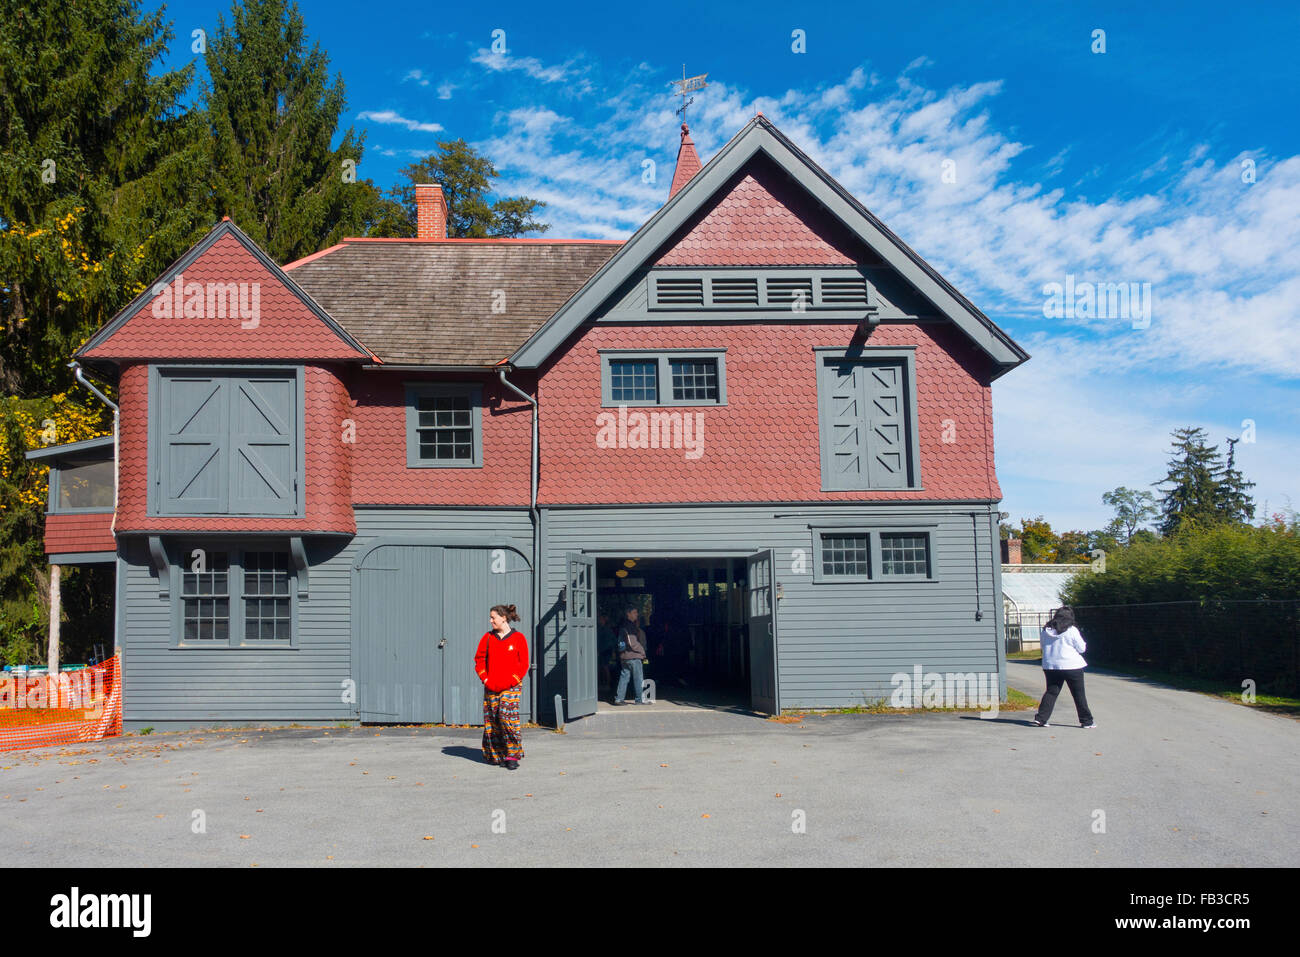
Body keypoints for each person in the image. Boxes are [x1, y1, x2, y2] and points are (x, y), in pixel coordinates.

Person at [474, 604, 529, 769]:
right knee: (493, 720)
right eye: (490, 618)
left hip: (511, 686)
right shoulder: (488, 638)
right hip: (491, 686)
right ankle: (496, 754)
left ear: (503, 618)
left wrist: (512, 680)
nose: (490, 621)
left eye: (493, 617)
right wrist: (485, 679)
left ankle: (512, 755)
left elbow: (523, 664)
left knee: (507, 717)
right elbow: (479, 660)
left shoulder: (518, 638)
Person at [1034, 606, 1095, 728]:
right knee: (1078, 694)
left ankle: (1041, 718)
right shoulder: (1072, 630)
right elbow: (1082, 648)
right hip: (1072, 666)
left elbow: (1042, 645)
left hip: (1051, 666)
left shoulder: (1046, 630)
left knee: (1051, 692)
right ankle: (1086, 721)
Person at [613, 607, 649, 705]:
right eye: (634, 612)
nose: (636, 614)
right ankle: (639, 700)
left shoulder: (623, 625)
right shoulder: (629, 626)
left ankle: (619, 698)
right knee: (638, 678)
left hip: (624, 656)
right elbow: (632, 642)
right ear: (628, 614)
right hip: (633, 656)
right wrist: (642, 652)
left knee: (624, 677)